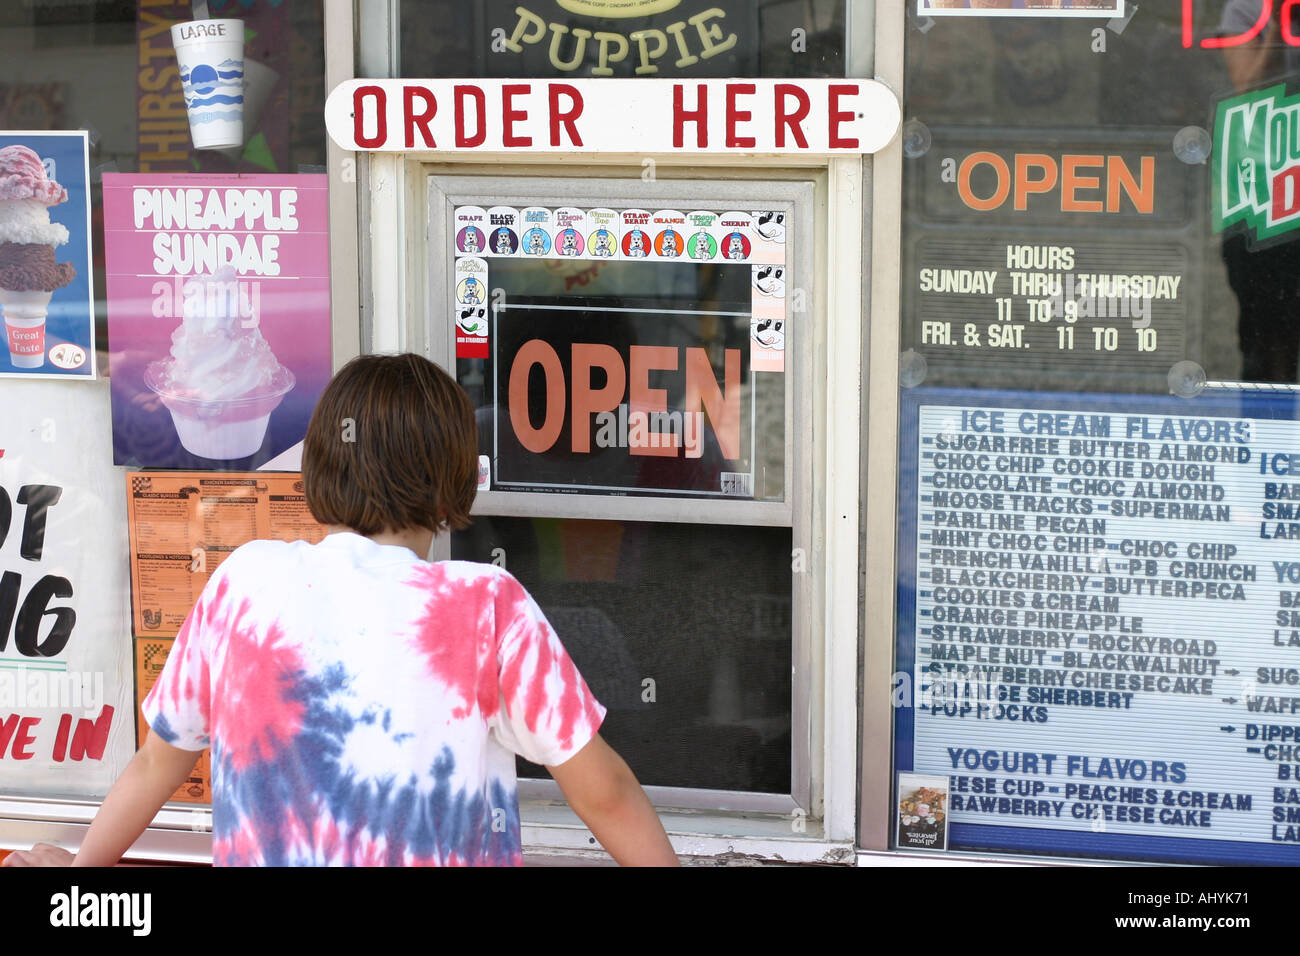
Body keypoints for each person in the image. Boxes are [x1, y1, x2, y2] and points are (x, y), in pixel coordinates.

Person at [4, 354, 677, 867]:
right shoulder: (488, 606)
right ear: (455, 480)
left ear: (319, 470)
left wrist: (81, 871)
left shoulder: (246, 582)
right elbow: (605, 793)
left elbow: (158, 761)